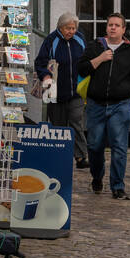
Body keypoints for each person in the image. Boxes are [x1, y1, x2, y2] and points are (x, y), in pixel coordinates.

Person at [77, 13, 130, 199]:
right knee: (94, 145)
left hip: (120, 105)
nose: (112, 28)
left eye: (117, 25)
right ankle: (97, 177)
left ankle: (117, 187)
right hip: (96, 105)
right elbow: (81, 69)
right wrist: (99, 59)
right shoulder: (95, 46)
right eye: (110, 25)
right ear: (106, 28)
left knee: (119, 147)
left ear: (123, 30)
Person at [35, 12, 89, 169]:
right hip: (54, 90)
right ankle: (60, 156)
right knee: (58, 125)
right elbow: (40, 62)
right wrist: (45, 76)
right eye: (68, 28)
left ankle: (81, 157)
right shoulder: (51, 40)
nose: (71, 31)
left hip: (76, 91)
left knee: (76, 121)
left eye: (73, 28)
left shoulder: (79, 39)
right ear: (60, 27)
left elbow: (85, 59)